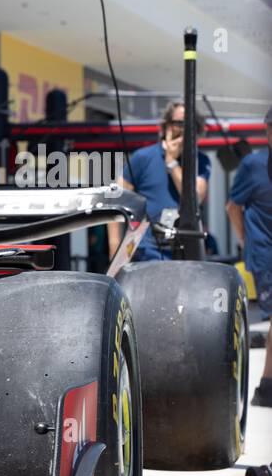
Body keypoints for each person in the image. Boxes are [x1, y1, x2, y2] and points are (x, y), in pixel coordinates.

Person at [107, 100, 211, 260]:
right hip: (147, 250)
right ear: (167, 126)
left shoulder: (201, 160)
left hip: (185, 250)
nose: (185, 129)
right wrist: (115, 250)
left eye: (191, 124)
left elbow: (195, 197)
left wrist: (172, 163)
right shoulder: (143, 157)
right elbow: (115, 201)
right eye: (179, 123)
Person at [226, 107, 272, 405]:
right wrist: (246, 240)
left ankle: (266, 388)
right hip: (266, 254)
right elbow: (233, 207)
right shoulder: (253, 165)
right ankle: (266, 388)